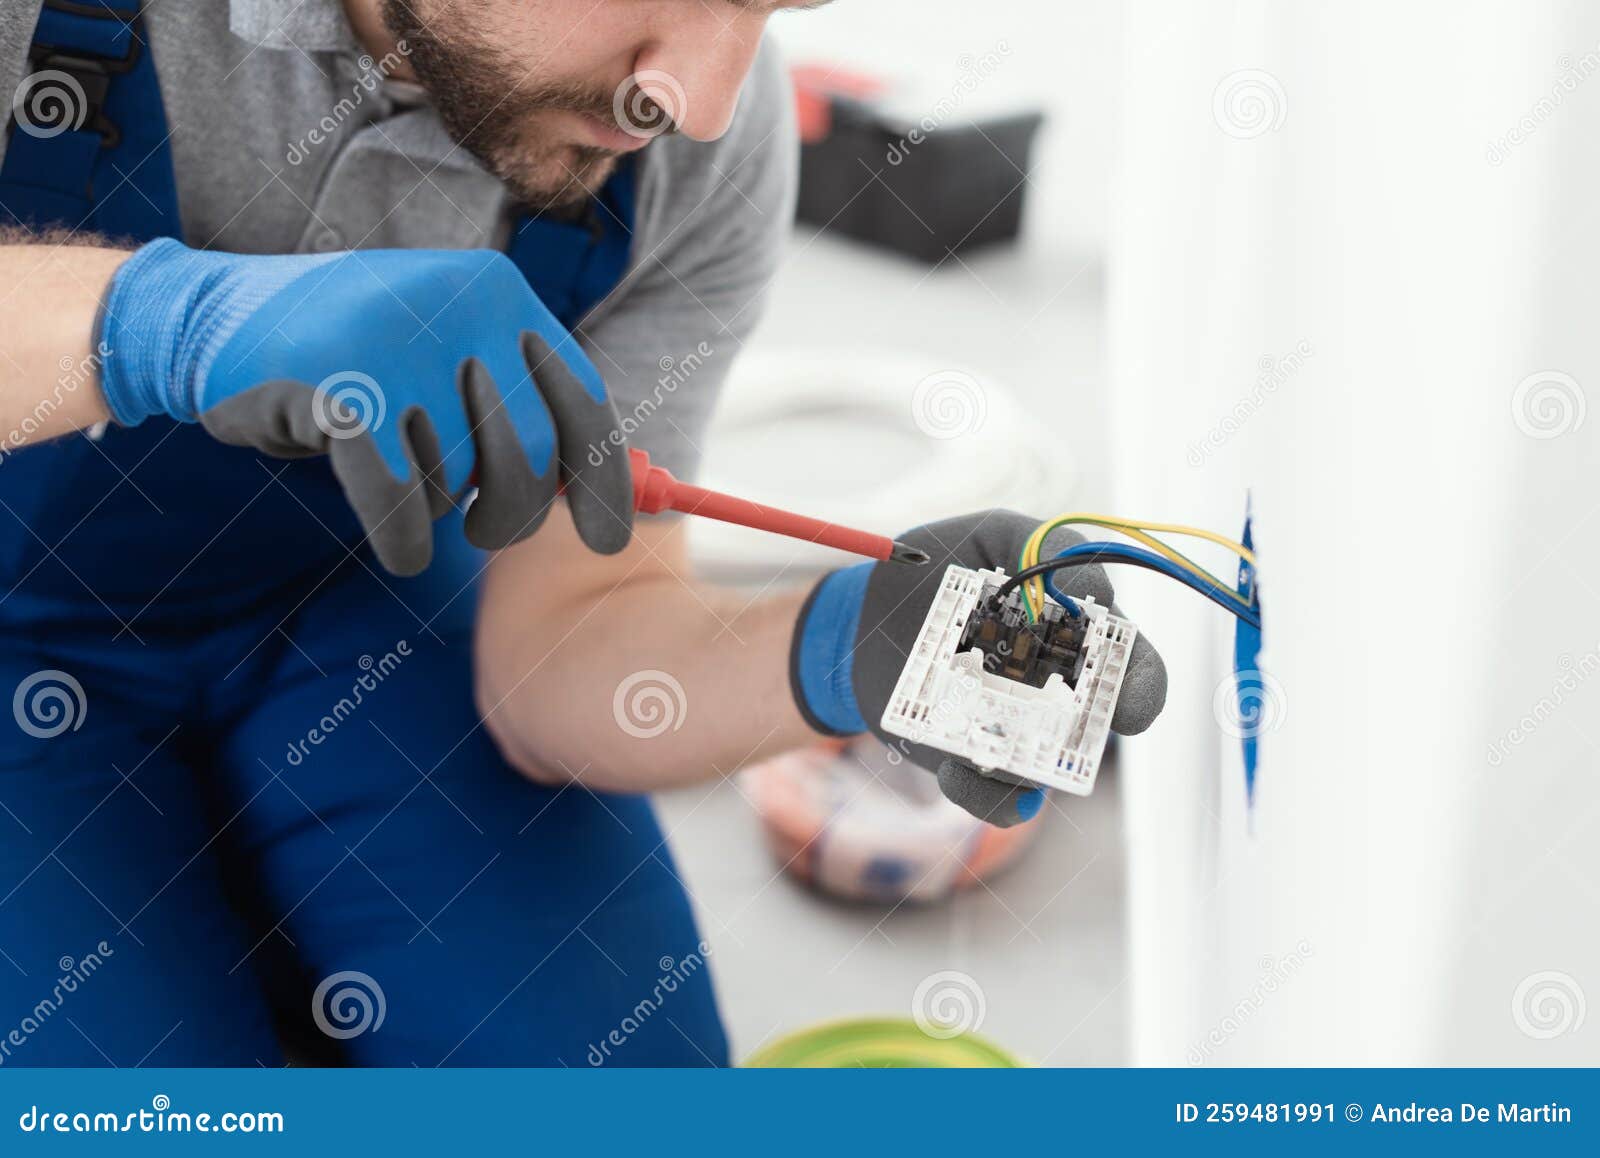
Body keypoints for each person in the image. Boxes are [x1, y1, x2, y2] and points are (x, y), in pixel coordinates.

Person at [0, 0, 1165, 1067]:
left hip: (352, 597)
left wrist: (832, 652)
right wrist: (163, 323)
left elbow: (571, 641)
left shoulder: (697, 146)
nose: (700, 100)